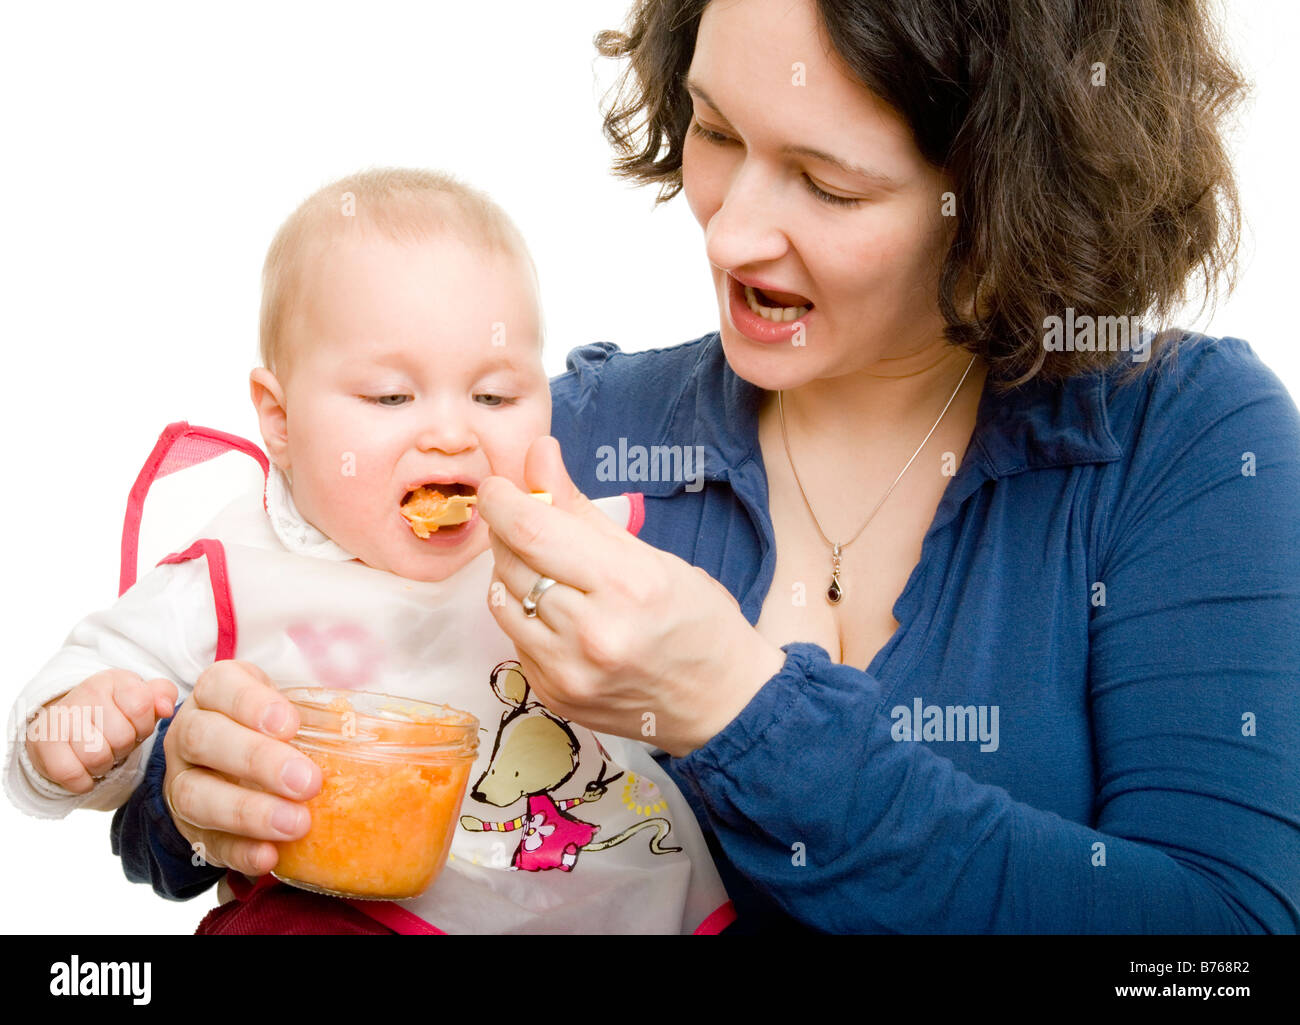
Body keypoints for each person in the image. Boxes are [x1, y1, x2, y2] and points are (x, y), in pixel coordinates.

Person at [113, 0, 1299, 932]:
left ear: (1002, 195)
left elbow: (1217, 940)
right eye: (715, 132)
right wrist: (194, 786)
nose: (726, 230)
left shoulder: (1180, 443)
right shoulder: (541, 437)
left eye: (829, 184)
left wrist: (736, 710)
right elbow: (296, 652)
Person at [4, 167, 731, 934]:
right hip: (356, 908)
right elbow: (96, 688)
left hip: (594, 889)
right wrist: (80, 732)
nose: (453, 433)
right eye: (391, 397)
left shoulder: (560, 539)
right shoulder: (236, 568)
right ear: (280, 421)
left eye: (494, 396)